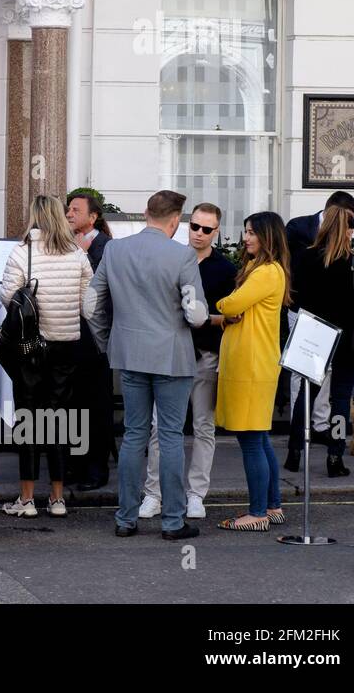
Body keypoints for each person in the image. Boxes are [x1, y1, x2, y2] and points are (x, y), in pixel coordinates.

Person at [85, 189, 207, 540]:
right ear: (175, 220)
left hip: (128, 354)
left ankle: (126, 518)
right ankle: (172, 521)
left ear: (145, 214)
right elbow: (196, 315)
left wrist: (108, 342)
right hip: (171, 356)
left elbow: (91, 304)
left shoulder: (115, 250)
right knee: (169, 437)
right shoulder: (183, 256)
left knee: (133, 436)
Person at [140, 202, 237, 520]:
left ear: (216, 231)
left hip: (205, 356)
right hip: (169, 354)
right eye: (194, 226)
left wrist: (202, 319)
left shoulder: (224, 269)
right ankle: (153, 493)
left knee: (203, 428)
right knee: (160, 428)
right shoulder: (172, 257)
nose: (198, 233)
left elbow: (230, 316)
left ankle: (196, 494)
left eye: (206, 229)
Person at [0, 196, 92, 519]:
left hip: (31, 348)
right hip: (67, 345)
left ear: (35, 217)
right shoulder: (77, 253)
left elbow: (9, 297)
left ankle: (26, 499)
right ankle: (57, 498)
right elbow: (87, 302)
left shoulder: (22, 252)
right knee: (58, 420)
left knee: (28, 420)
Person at [215, 211, 290, 532]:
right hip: (255, 362)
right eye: (245, 231)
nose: (246, 237)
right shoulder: (262, 269)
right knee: (259, 438)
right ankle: (272, 506)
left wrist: (222, 306)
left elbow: (231, 304)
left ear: (267, 236)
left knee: (250, 440)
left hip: (251, 364)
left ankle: (257, 511)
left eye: (252, 232)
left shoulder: (265, 272)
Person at [287, 205, 354, 478]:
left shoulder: (305, 259)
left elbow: (295, 299)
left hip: (313, 332)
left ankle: (295, 450)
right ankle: (335, 455)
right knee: (342, 399)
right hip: (345, 338)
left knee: (305, 395)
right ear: (348, 230)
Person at [65, 190, 114, 491]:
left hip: (94, 341)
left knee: (95, 406)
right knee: (73, 405)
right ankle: (75, 465)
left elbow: (105, 293)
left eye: (75, 210)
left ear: (92, 217)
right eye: (68, 209)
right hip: (69, 336)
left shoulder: (105, 247)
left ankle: (96, 469)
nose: (69, 214)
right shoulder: (67, 245)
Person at [286, 190, 354, 254]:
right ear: (332, 210)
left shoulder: (347, 230)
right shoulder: (297, 226)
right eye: (346, 216)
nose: (347, 221)